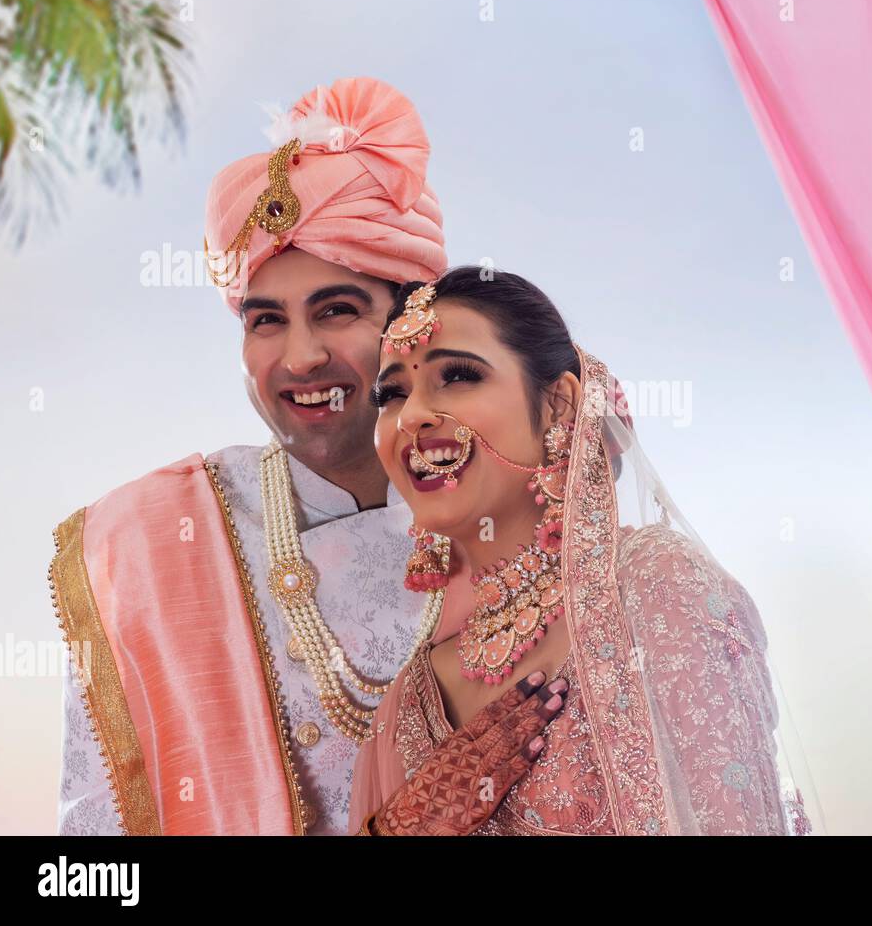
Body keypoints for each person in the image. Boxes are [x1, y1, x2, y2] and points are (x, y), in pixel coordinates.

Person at [47, 76, 555, 835]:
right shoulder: (148, 546)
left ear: (415, 321)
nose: (300, 356)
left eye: (337, 310)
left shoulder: (521, 526)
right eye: (265, 322)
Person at [347, 267, 819, 834]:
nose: (414, 416)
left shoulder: (655, 587)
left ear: (558, 406)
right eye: (390, 393)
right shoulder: (407, 703)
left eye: (458, 376)